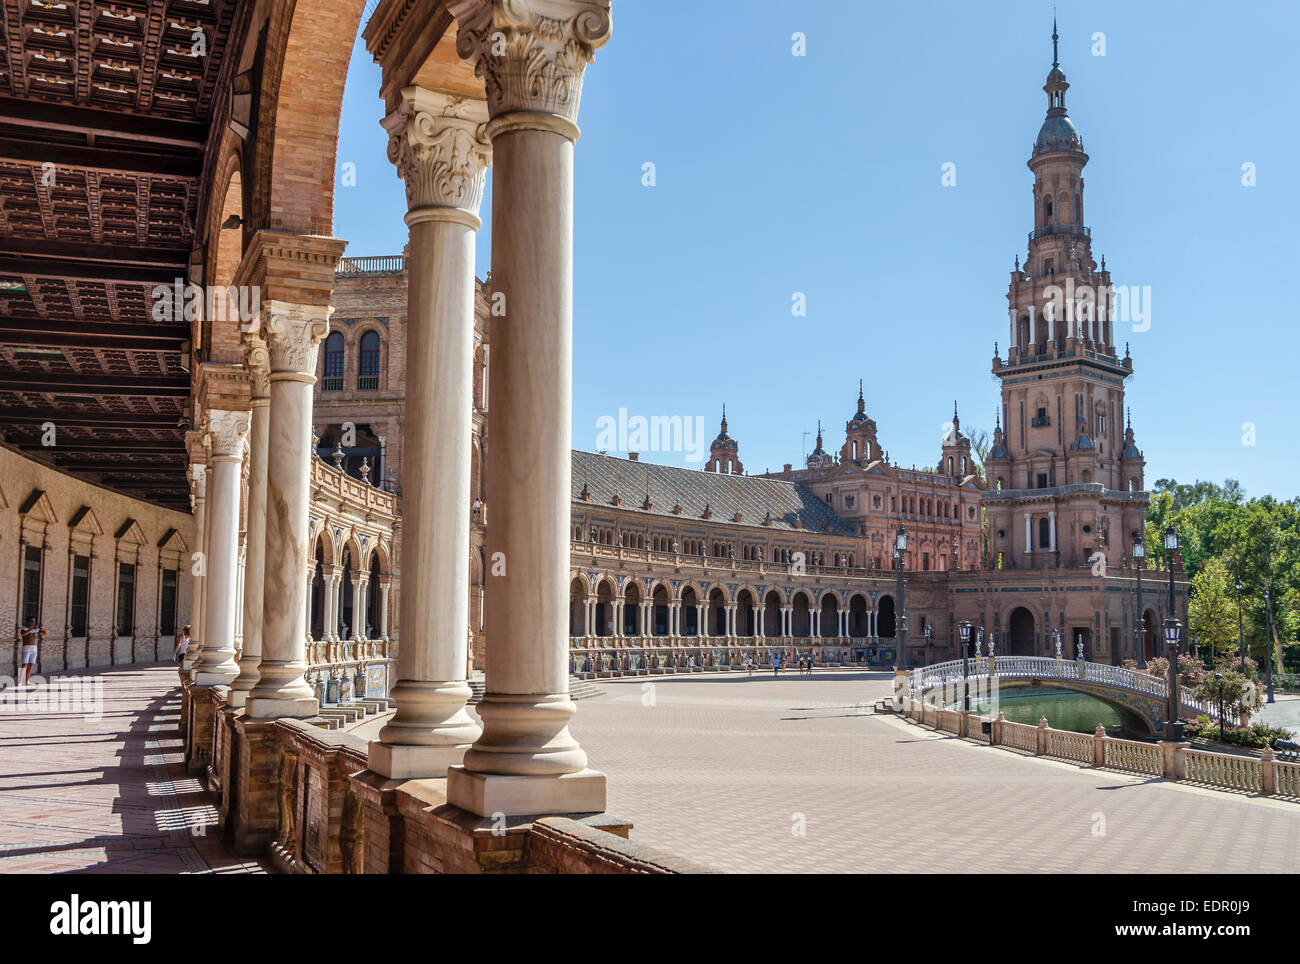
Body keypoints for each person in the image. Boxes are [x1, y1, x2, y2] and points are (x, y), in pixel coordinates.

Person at [19, 616, 46, 686]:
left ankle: (27, 681)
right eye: (31, 621)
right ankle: (20, 681)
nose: (33, 622)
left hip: (34, 649)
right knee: (24, 664)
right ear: (27, 622)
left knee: (31, 665)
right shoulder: (24, 629)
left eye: (34, 621)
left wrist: (43, 628)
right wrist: (31, 629)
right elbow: (23, 634)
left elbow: (44, 634)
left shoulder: (36, 629)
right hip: (26, 649)